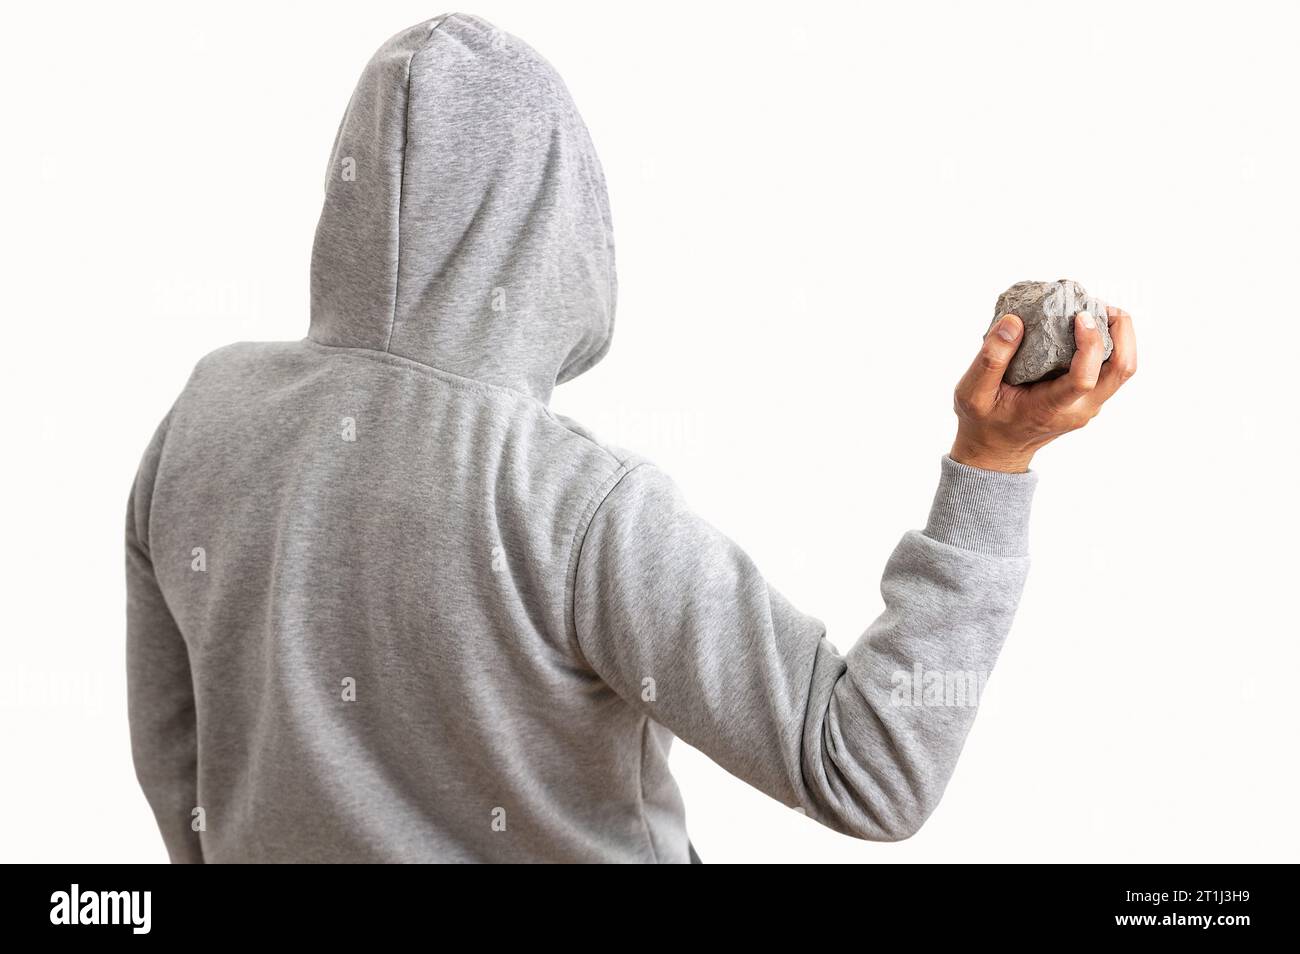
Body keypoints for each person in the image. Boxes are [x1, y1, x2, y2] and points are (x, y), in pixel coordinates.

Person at [126, 13, 1136, 863]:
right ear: (559, 217)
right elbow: (868, 769)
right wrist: (991, 463)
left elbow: (180, 765)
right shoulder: (570, 506)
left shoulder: (206, 418)